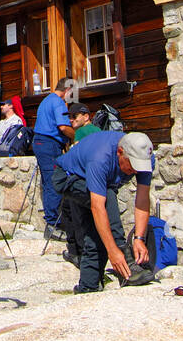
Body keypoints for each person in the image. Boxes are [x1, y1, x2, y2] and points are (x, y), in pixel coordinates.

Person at [51, 130, 155, 293]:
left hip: (98, 181)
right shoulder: (100, 157)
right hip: (69, 177)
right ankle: (127, 261)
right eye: (133, 164)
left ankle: (88, 286)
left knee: (95, 233)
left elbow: (142, 198)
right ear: (120, 152)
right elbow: (98, 206)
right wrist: (113, 251)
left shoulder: (145, 157)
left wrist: (139, 238)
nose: (136, 171)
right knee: (107, 197)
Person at [32, 78, 76, 241]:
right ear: (67, 90)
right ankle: (53, 225)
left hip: (41, 142)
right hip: (49, 143)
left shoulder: (46, 100)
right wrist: (76, 136)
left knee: (48, 182)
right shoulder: (58, 102)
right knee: (53, 182)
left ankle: (53, 221)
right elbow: (63, 127)